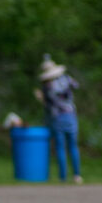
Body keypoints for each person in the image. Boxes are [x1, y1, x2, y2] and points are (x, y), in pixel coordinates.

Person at [34, 54, 82, 184]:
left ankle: (63, 177)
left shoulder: (47, 86)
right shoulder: (66, 78)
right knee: (73, 145)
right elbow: (76, 85)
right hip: (71, 114)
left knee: (60, 147)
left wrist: (40, 98)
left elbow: (49, 104)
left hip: (57, 117)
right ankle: (77, 175)